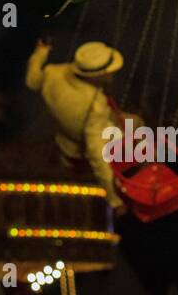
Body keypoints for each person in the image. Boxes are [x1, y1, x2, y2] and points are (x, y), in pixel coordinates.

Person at [26, 38, 130, 214]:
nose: (113, 74)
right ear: (96, 75)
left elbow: (32, 81)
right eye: (109, 71)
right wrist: (114, 199)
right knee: (136, 126)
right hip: (80, 153)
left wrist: (40, 53)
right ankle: (140, 173)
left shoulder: (53, 72)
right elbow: (97, 153)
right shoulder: (94, 106)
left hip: (63, 141)